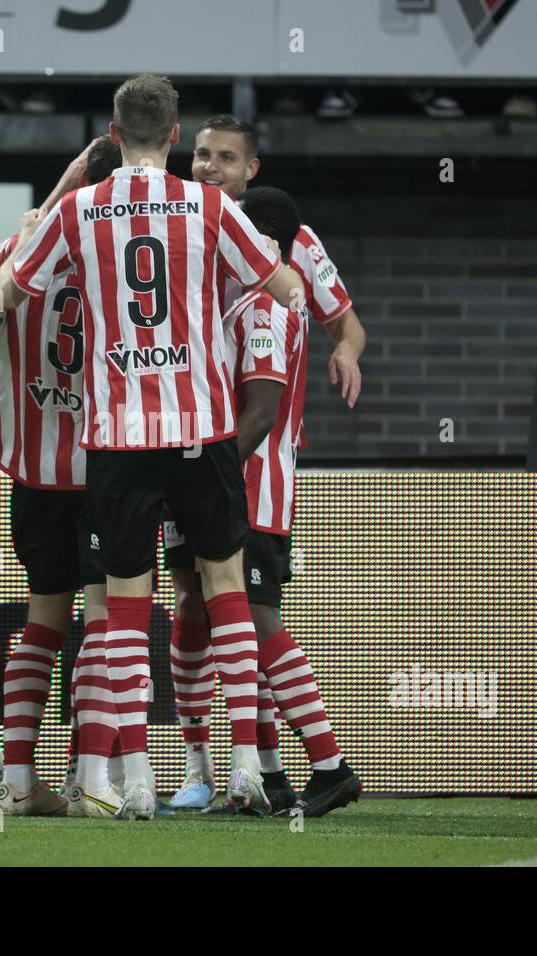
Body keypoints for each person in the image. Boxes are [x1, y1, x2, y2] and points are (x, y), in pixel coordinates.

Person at [0, 74, 304, 819]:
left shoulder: (79, 211)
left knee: (124, 603)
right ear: (178, 135)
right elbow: (282, 283)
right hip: (200, 429)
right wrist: (288, 305)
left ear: (115, 132)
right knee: (225, 584)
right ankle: (248, 763)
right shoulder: (211, 205)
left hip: (119, 434)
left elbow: (10, 291)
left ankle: (135, 781)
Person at [168, 115, 369, 809]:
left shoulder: (277, 258)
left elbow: (340, 323)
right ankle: (259, 771)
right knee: (204, 610)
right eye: (200, 154)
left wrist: (345, 347)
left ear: (251, 169)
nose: (209, 167)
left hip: (243, 474)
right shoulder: (180, 221)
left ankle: (324, 763)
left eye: (225, 157)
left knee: (251, 616)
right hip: (207, 461)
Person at [0, 136, 129, 818]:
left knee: (43, 622)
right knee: (107, 622)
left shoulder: (20, 250)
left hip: (33, 473)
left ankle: (19, 780)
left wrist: (55, 194)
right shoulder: (132, 247)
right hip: (109, 467)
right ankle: (90, 780)